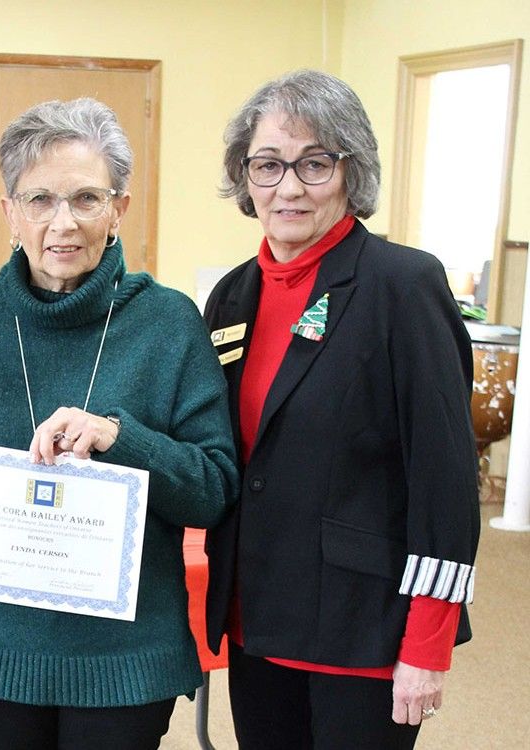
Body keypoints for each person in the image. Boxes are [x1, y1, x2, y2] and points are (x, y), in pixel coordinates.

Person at [0, 97, 239, 750]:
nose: (62, 223)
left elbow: (211, 489)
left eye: (86, 199)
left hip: (121, 659)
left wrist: (124, 439)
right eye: (39, 200)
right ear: (10, 214)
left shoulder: (169, 324)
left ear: (118, 210)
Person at [203, 69, 480, 749]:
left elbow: (443, 478)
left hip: (363, 629)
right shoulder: (231, 296)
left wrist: (427, 643)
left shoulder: (402, 285)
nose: (288, 187)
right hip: (255, 618)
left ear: (352, 171)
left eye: (314, 163)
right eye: (267, 165)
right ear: (245, 178)